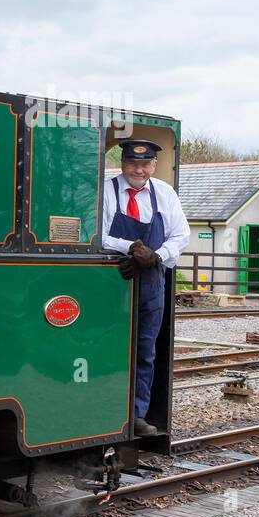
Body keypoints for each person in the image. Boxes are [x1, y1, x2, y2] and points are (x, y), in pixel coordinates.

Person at [101, 140, 191, 436]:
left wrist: (155, 256)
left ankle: (136, 413)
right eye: (132, 163)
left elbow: (180, 235)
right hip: (112, 279)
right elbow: (96, 235)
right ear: (123, 163)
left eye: (145, 164)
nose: (138, 170)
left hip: (151, 282)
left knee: (145, 351)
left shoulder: (165, 194)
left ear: (153, 165)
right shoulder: (105, 191)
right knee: (107, 348)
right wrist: (131, 247)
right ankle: (104, 410)